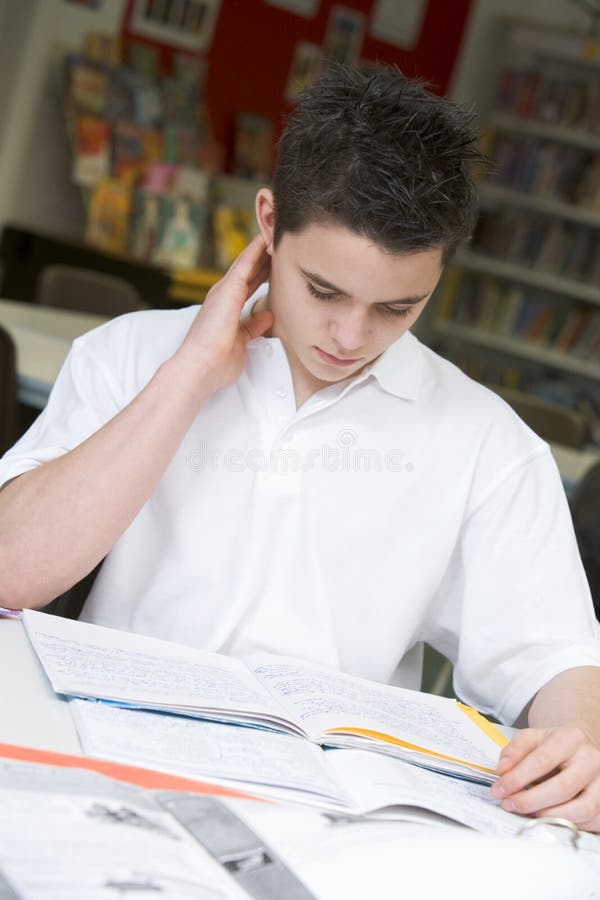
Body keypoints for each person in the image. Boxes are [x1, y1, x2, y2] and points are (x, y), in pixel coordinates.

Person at [1, 65, 600, 834]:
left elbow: (557, 658)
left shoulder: (488, 444)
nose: (351, 338)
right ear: (267, 222)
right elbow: (12, 570)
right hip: (102, 772)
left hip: (325, 823)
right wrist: (187, 376)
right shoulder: (131, 355)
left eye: (397, 307)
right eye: (323, 291)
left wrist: (581, 745)